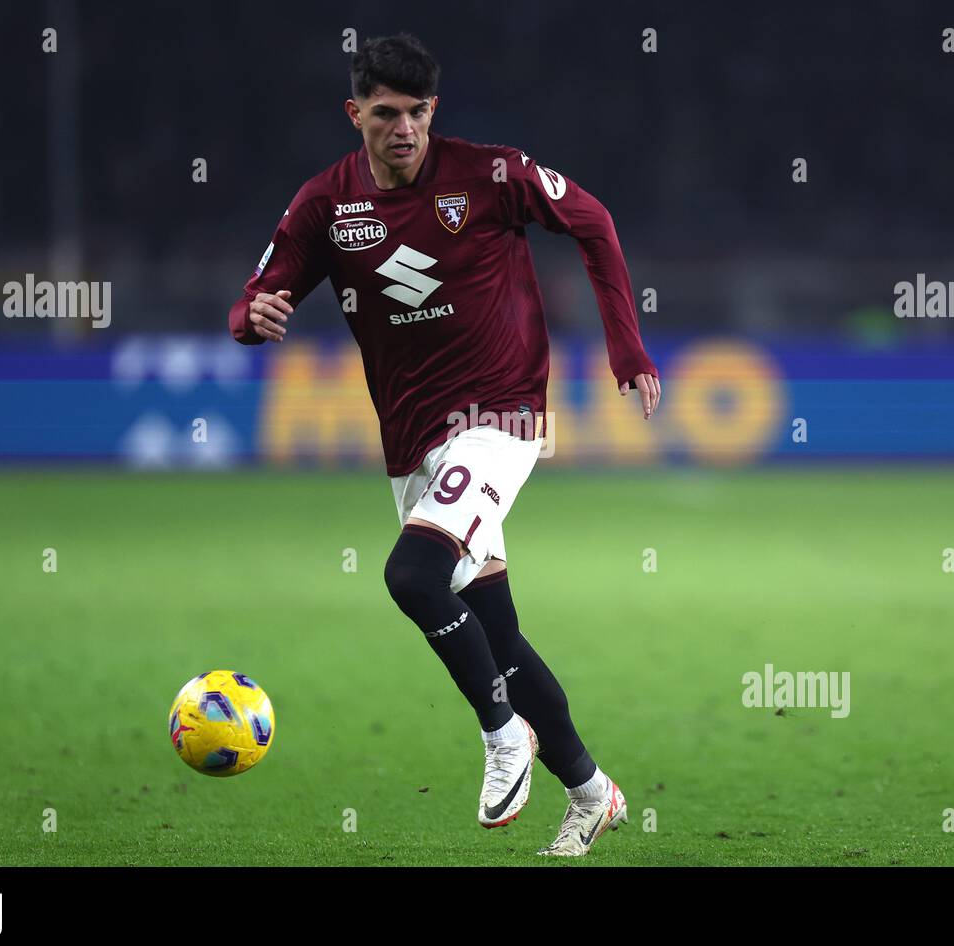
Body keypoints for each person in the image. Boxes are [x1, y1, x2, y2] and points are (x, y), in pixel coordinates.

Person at [228, 33, 660, 856]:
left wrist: (627, 347)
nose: (403, 129)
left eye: (417, 113)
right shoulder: (324, 205)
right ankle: (594, 793)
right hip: (414, 439)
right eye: (385, 114)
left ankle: (504, 736)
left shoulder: (491, 174)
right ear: (355, 114)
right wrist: (254, 318)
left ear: (435, 112)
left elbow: (595, 223)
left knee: (411, 573)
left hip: (503, 417)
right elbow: (255, 301)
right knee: (496, 635)